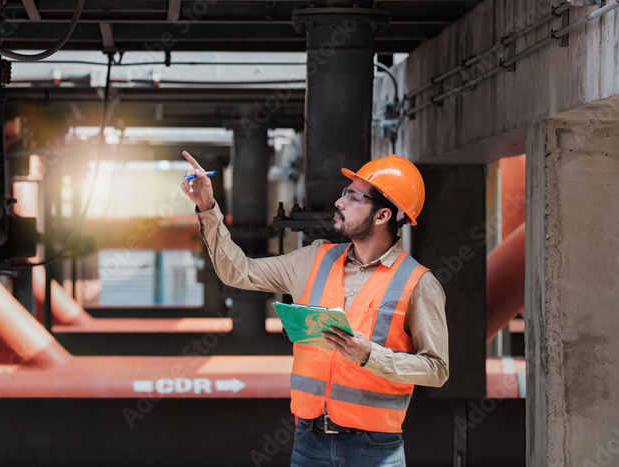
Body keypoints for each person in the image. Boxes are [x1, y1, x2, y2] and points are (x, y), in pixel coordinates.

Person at [181, 151, 449, 467]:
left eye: (353, 197)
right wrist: (207, 208)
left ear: (382, 216)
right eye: (344, 193)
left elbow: (437, 370)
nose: (339, 202)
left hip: (374, 449)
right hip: (309, 439)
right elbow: (237, 271)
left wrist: (369, 356)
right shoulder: (315, 259)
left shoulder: (418, 283)